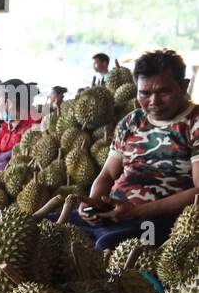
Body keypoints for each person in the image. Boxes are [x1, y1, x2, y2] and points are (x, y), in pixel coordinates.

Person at [75, 49, 199, 249]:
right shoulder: (132, 121)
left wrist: (137, 212)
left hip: (162, 220)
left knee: (105, 244)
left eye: (163, 92)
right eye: (145, 93)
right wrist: (93, 202)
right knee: (51, 225)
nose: (153, 101)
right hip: (116, 211)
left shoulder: (195, 123)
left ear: (183, 86)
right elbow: (107, 173)